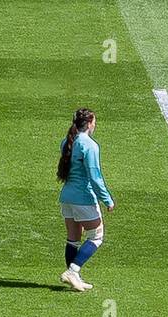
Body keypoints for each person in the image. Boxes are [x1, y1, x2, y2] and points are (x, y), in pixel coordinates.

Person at [57, 107, 114, 292]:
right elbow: (94, 176)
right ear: (89, 124)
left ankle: (74, 278)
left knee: (73, 239)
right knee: (96, 236)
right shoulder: (89, 145)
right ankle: (73, 271)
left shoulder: (67, 141)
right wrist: (107, 199)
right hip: (83, 198)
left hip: (66, 197)